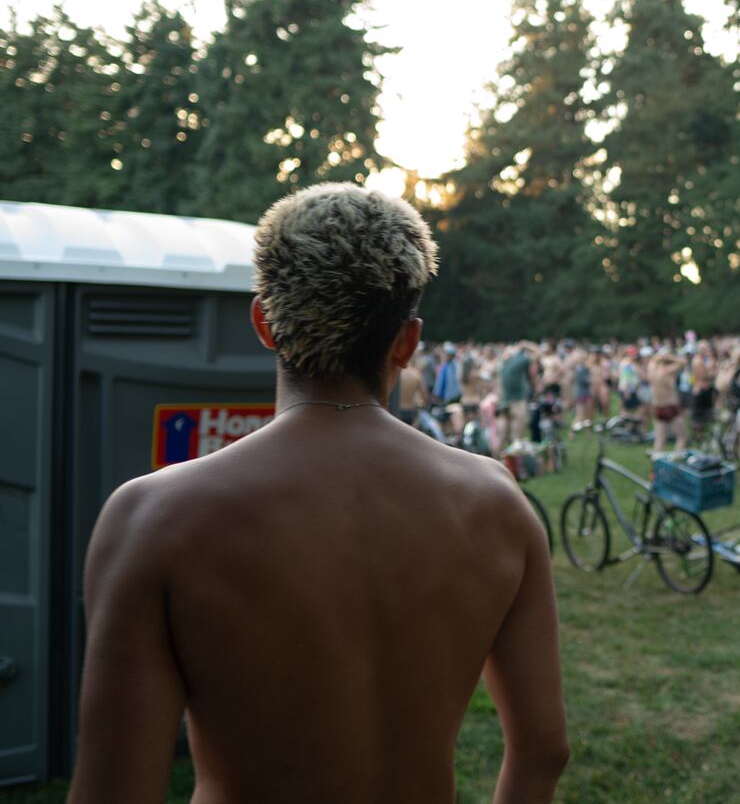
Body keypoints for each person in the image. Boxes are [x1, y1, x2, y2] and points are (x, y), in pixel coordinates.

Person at [68, 183, 567, 804]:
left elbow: (114, 787)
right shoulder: (496, 503)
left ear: (263, 323)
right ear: (407, 342)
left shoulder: (153, 517)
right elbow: (543, 749)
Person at [647, 348, 688, 455]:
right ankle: (677, 459)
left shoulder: (652, 369)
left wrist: (660, 357)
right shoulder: (668, 370)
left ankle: (656, 461)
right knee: (681, 437)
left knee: (660, 438)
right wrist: (670, 357)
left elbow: (653, 359)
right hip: (670, 406)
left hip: (657, 406)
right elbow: (684, 362)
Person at [498, 343, 534, 454]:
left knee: (502, 437)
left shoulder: (503, 365)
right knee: (516, 437)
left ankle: (496, 458)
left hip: (504, 402)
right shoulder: (519, 361)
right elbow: (538, 354)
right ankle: (515, 461)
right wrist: (526, 344)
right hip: (517, 402)